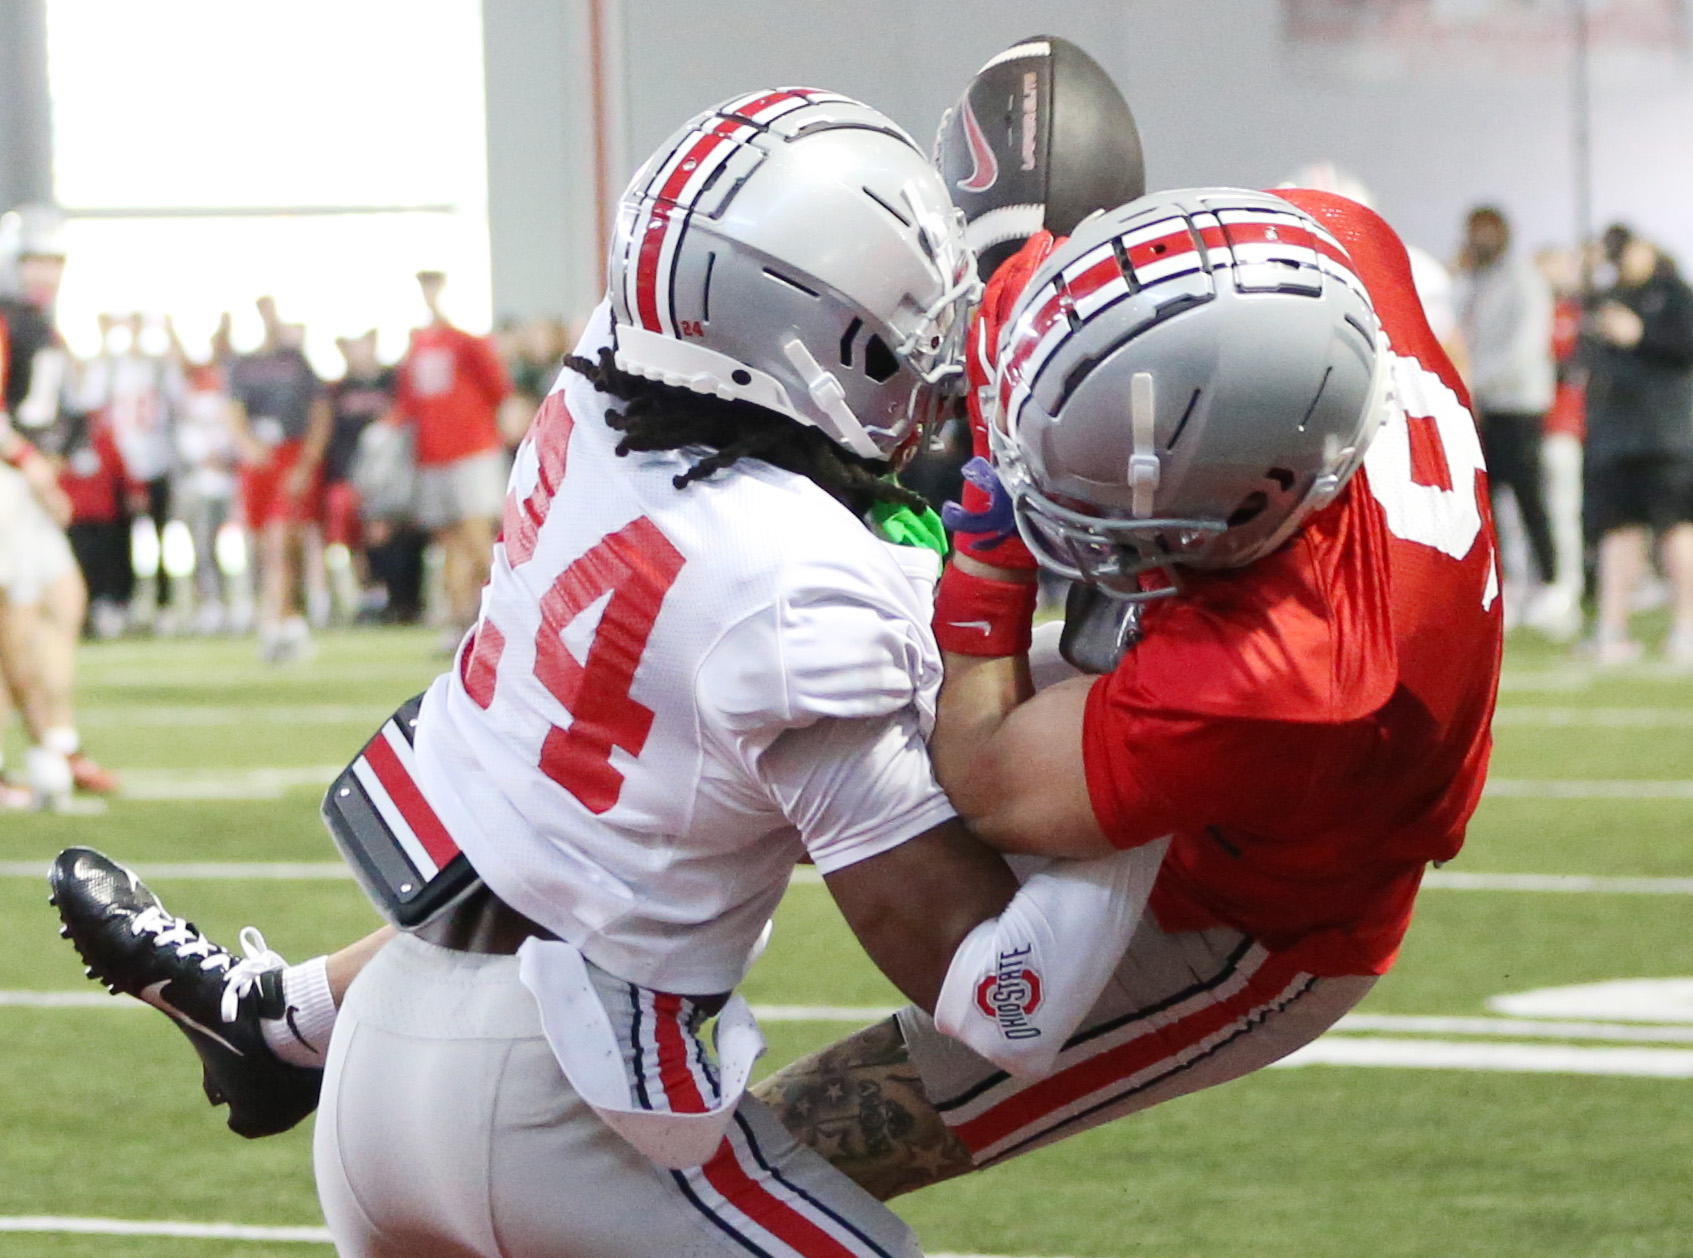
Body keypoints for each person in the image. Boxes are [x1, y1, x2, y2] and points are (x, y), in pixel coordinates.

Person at [54, 89, 1163, 1258]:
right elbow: (1007, 1005)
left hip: (387, 1054)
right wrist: (1153, 725)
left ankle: (278, 1017)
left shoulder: (593, 385)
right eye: (906, 330)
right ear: (817, 344)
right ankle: (273, 1018)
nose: (931, 362)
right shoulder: (806, 588)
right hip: (560, 1118)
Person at [0, 202, 118, 802]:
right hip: (6, 481)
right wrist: (31, 467)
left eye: (53, 261)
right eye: (34, 261)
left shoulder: (42, 325)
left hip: (26, 482)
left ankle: (58, 741)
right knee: (11, 624)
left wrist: (50, 468)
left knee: (62, 600)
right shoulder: (6, 319)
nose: (45, 273)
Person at [1580, 224, 1693, 666]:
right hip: (1617, 439)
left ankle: (1686, 626)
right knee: (1617, 533)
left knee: (1677, 530)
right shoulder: (1611, 299)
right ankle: (1612, 628)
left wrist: (1640, 334)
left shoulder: (1674, 295)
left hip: (1665, 438)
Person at [389, 270, 512, 647]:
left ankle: (508, 616)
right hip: (434, 457)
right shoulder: (416, 350)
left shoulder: (466, 344)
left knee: (476, 539)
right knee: (452, 544)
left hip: (470, 453)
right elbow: (407, 405)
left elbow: (497, 389)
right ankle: (462, 623)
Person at [1455, 206, 1560, 630]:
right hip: (1484, 409)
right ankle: (1503, 585)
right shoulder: (1474, 281)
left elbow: (1526, 347)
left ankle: (1552, 585)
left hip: (1518, 407)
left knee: (1530, 498)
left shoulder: (1523, 280)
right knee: (1485, 503)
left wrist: (1475, 381)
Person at [226, 295, 332, 662]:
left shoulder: (297, 363)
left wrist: (306, 463)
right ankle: (280, 618)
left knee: (282, 542)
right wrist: (247, 445)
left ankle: (280, 621)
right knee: (261, 546)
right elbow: (234, 412)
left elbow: (320, 412)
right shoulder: (242, 365)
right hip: (260, 462)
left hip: (290, 455)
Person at [320, 330, 394, 622]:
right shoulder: (337, 391)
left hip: (388, 482)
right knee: (348, 530)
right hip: (349, 479)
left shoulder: (391, 383)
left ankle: (390, 594)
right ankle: (365, 593)